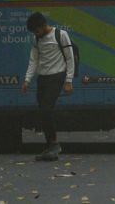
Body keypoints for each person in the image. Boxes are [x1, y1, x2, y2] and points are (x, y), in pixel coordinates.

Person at [21, 11, 75, 161]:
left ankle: (54, 144)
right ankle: (50, 146)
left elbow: (70, 58)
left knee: (47, 108)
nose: (36, 34)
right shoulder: (36, 39)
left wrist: (69, 80)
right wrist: (27, 79)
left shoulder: (60, 35)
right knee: (43, 112)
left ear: (44, 25)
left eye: (37, 30)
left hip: (57, 76)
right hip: (42, 78)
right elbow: (34, 60)